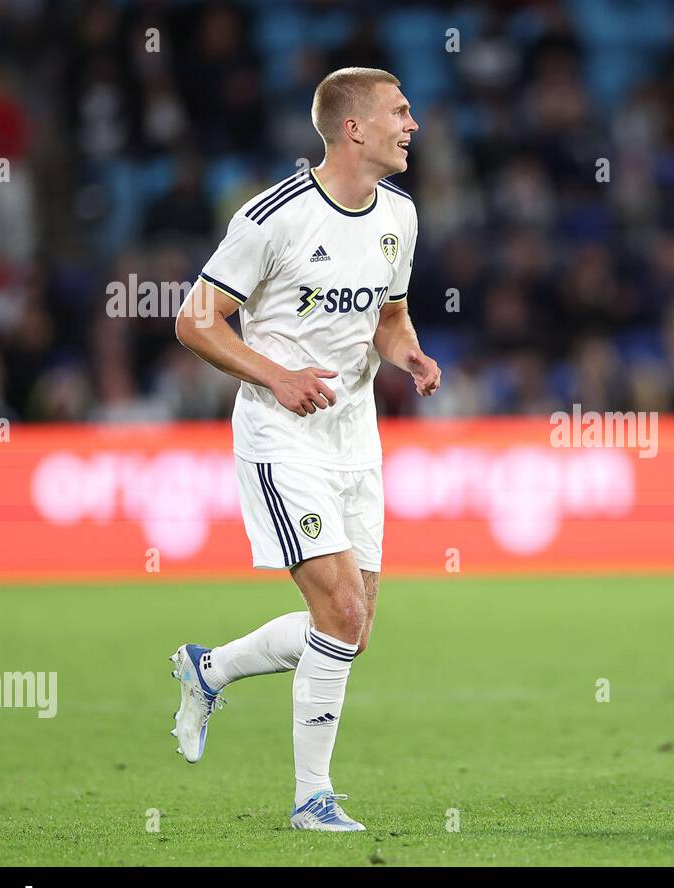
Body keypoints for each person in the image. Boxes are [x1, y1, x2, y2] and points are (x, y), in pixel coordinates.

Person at [170, 67, 439, 831]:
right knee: (341, 606)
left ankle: (207, 668)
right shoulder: (273, 217)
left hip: (355, 434)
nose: (412, 124)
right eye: (400, 111)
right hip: (280, 432)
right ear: (354, 128)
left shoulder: (401, 216)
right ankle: (310, 799)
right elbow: (195, 321)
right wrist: (279, 376)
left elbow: (389, 316)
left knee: (351, 628)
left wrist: (409, 354)